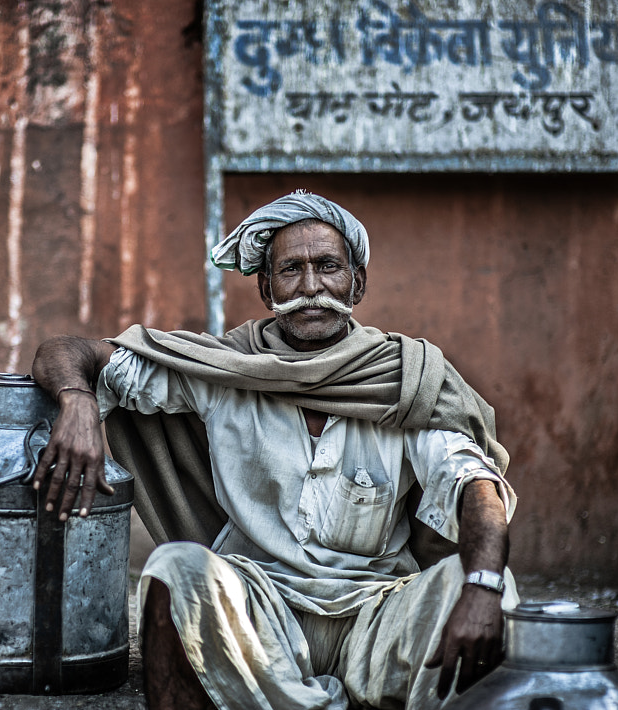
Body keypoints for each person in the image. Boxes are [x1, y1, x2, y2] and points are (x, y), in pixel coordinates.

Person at [31, 191, 518, 710]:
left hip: (378, 611)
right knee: (173, 572)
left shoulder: (406, 381)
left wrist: (483, 587)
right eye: (291, 270)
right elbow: (65, 351)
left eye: (328, 266)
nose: (312, 287)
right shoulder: (225, 370)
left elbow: (475, 485)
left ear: (358, 282)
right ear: (266, 288)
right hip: (260, 608)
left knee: (492, 588)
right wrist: (79, 400)